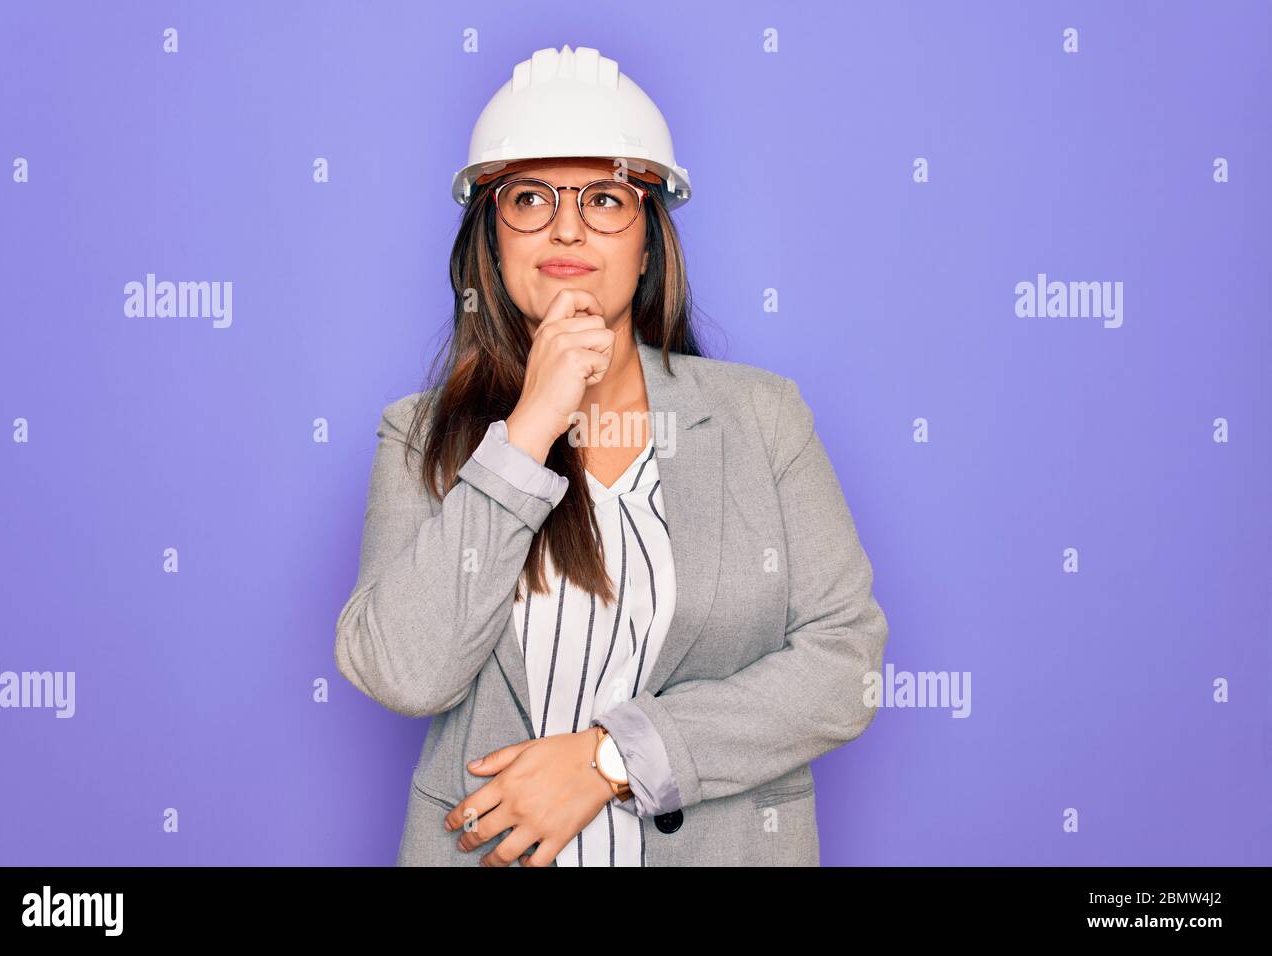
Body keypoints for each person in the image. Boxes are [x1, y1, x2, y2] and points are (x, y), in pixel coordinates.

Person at [334, 44, 888, 866]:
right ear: (490, 238)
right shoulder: (419, 435)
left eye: (603, 198)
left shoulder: (764, 416)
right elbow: (404, 672)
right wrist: (530, 427)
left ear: (649, 238)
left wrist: (611, 758)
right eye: (529, 197)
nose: (565, 226)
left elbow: (846, 666)